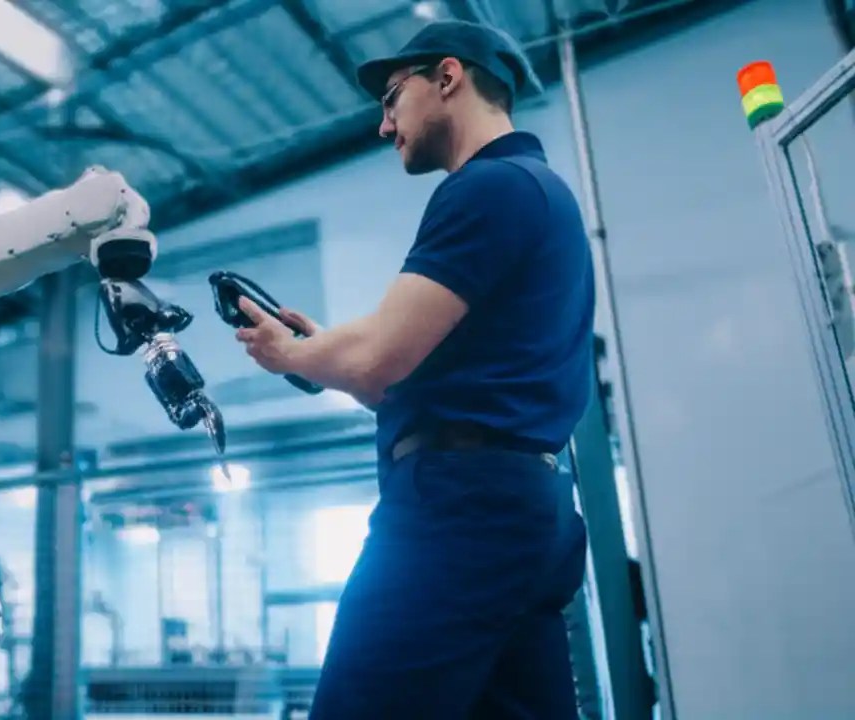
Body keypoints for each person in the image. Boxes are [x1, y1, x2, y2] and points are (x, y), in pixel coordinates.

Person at [232, 19, 595, 720]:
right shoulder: (542, 194)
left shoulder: (488, 188)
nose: (383, 124)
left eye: (393, 97)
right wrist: (324, 351)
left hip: (459, 510)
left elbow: (374, 363)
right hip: (528, 511)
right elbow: (416, 384)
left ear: (449, 77)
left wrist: (290, 354)